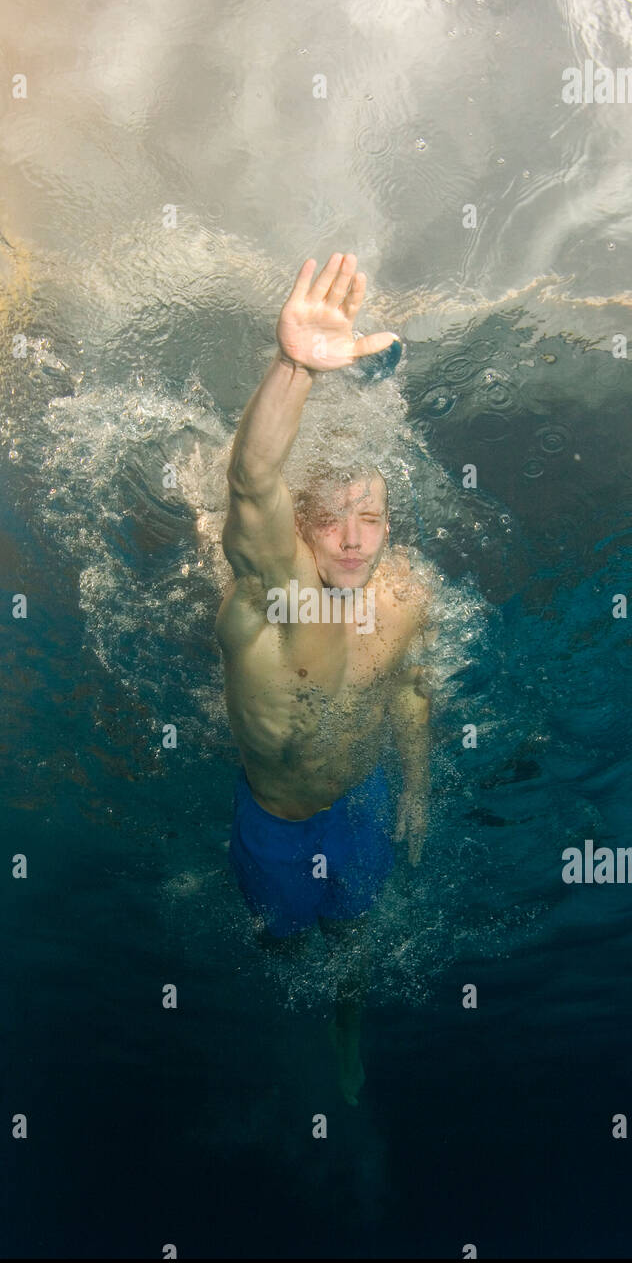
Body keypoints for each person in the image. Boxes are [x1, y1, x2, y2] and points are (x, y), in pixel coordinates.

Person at [216, 251, 432, 1103]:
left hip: (362, 800)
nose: (353, 539)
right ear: (306, 529)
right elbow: (252, 480)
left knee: (359, 939)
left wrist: (416, 783)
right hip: (274, 825)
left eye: (371, 518)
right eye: (334, 520)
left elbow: (410, 685)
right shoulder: (280, 597)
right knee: (280, 948)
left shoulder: (407, 592)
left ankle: (348, 1035)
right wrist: (294, 368)